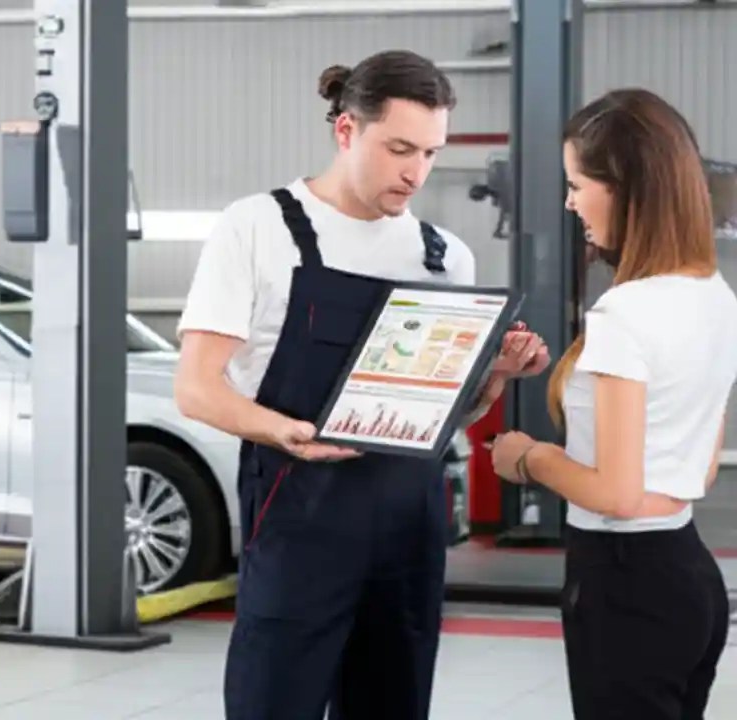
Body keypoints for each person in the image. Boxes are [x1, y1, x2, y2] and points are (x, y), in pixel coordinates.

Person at [173, 49, 549, 719]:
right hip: (299, 510)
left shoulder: (444, 256)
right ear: (346, 130)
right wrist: (282, 430)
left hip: (408, 521)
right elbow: (197, 389)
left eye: (431, 152)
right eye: (399, 147)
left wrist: (495, 376)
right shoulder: (259, 227)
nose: (416, 171)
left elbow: (447, 416)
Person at [490, 88, 736, 720]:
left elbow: (619, 495)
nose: (571, 201)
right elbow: (698, 473)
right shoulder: (716, 294)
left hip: (625, 583)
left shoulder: (624, 313)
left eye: (578, 183)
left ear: (624, 187)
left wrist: (527, 458)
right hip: (690, 574)